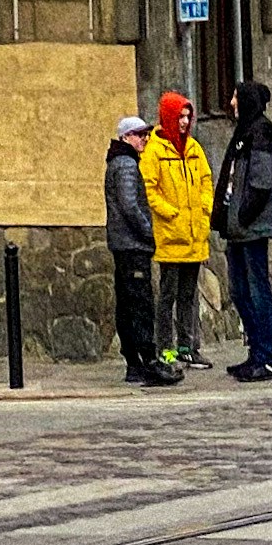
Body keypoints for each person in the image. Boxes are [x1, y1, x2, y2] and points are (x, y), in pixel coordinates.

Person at [214, 74, 272, 381]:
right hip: (238, 228)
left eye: (235, 97)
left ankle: (264, 357)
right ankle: (255, 351)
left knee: (257, 290)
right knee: (240, 291)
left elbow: (260, 186)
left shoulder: (259, 137)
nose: (231, 103)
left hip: (251, 229)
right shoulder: (244, 134)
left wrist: (241, 217)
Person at [140, 87, 213, 381]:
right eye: (180, 116)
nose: (184, 122)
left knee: (188, 294)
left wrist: (205, 208)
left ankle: (187, 346)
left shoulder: (194, 149)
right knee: (167, 295)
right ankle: (166, 349)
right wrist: (170, 212)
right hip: (170, 234)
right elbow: (149, 189)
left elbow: (206, 181)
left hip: (194, 235)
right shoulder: (155, 151)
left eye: (187, 116)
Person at [104, 114, 157, 384]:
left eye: (146, 134)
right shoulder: (125, 164)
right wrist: (148, 231)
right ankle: (147, 360)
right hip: (132, 244)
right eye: (139, 134)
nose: (145, 139)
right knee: (139, 304)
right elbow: (129, 205)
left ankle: (134, 363)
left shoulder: (119, 161)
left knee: (127, 304)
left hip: (123, 243)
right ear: (126, 137)